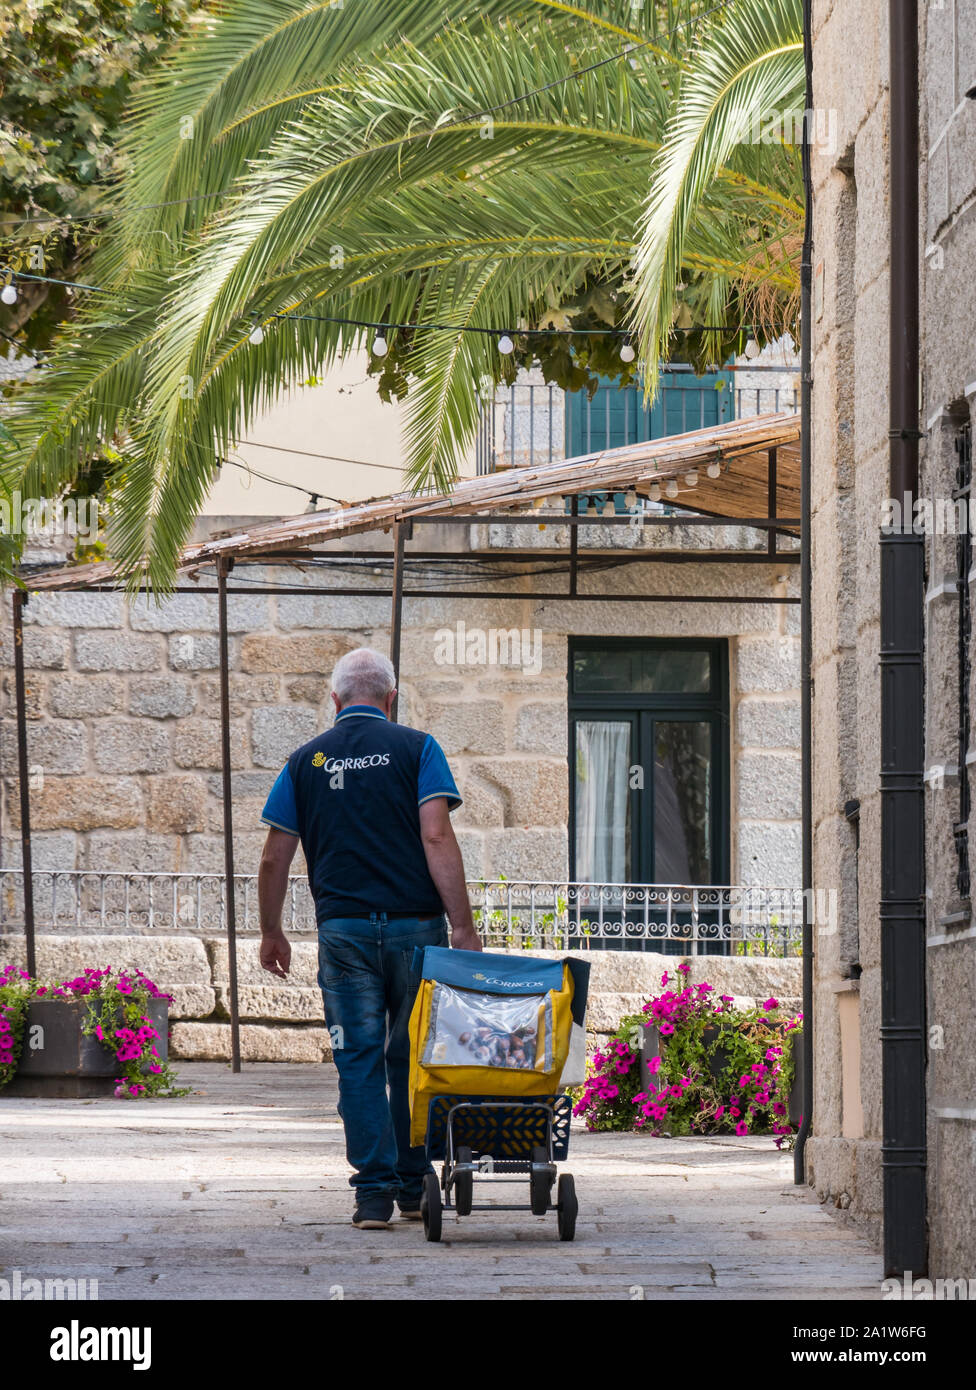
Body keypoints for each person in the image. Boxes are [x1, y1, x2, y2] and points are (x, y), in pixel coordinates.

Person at [256, 646, 482, 1230]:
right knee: (412, 1058)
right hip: (416, 930)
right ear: (392, 697)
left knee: (357, 1060)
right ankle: (413, 1185)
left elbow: (275, 858)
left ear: (335, 701)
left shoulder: (304, 761)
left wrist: (272, 931)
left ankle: (373, 1197)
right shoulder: (419, 749)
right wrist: (462, 926)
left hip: (345, 933)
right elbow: (436, 838)